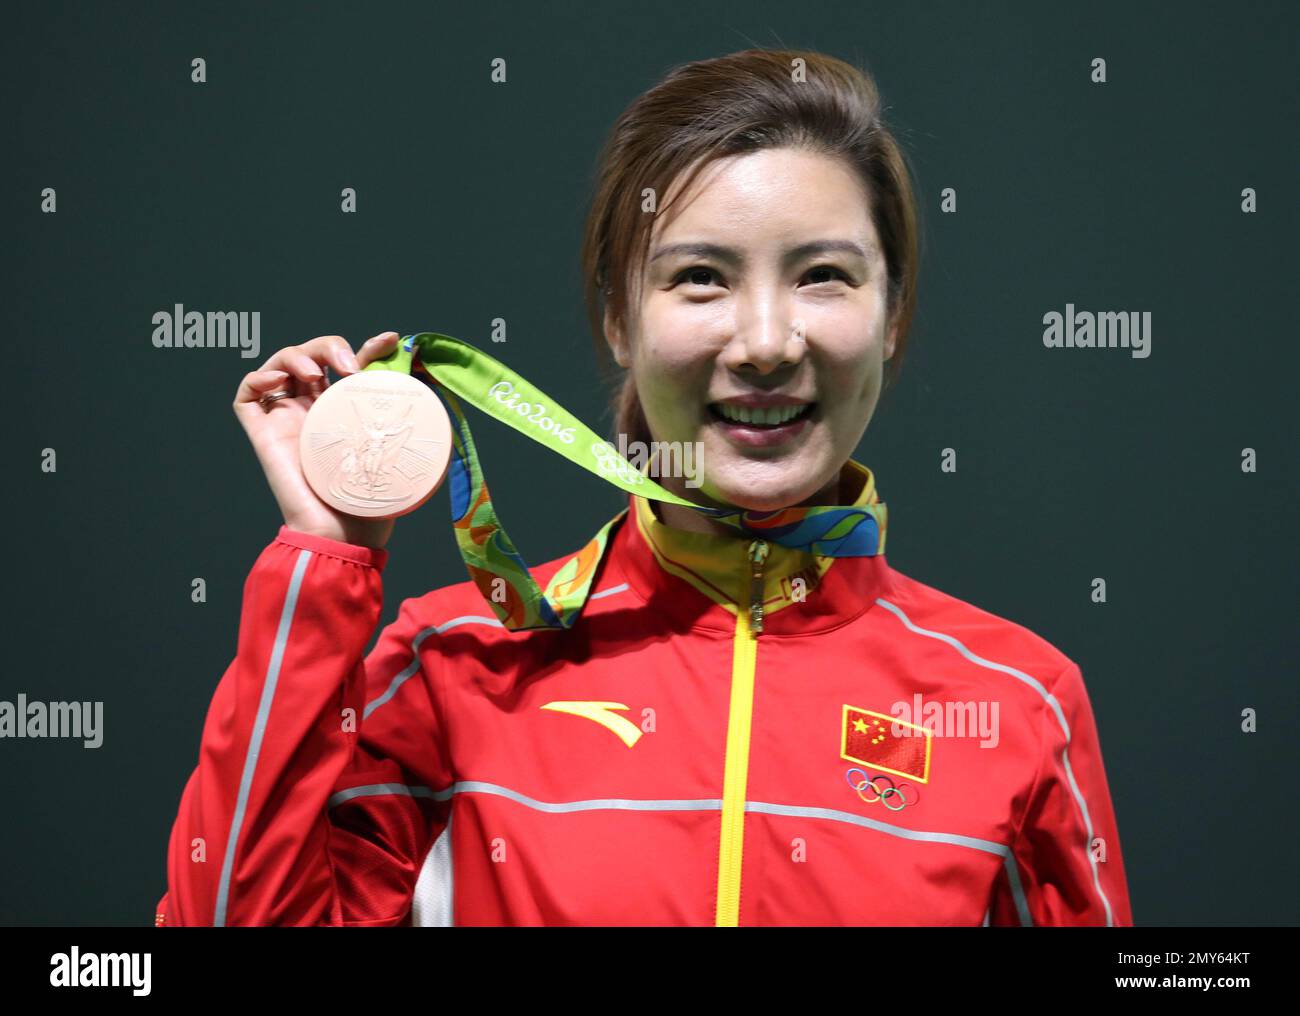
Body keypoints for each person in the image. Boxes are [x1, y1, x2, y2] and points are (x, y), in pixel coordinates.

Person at [156, 48, 1132, 927]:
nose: (764, 342)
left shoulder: (1016, 702)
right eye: (701, 276)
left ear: (893, 318)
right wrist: (325, 559)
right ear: (620, 321)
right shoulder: (454, 665)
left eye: (823, 275)